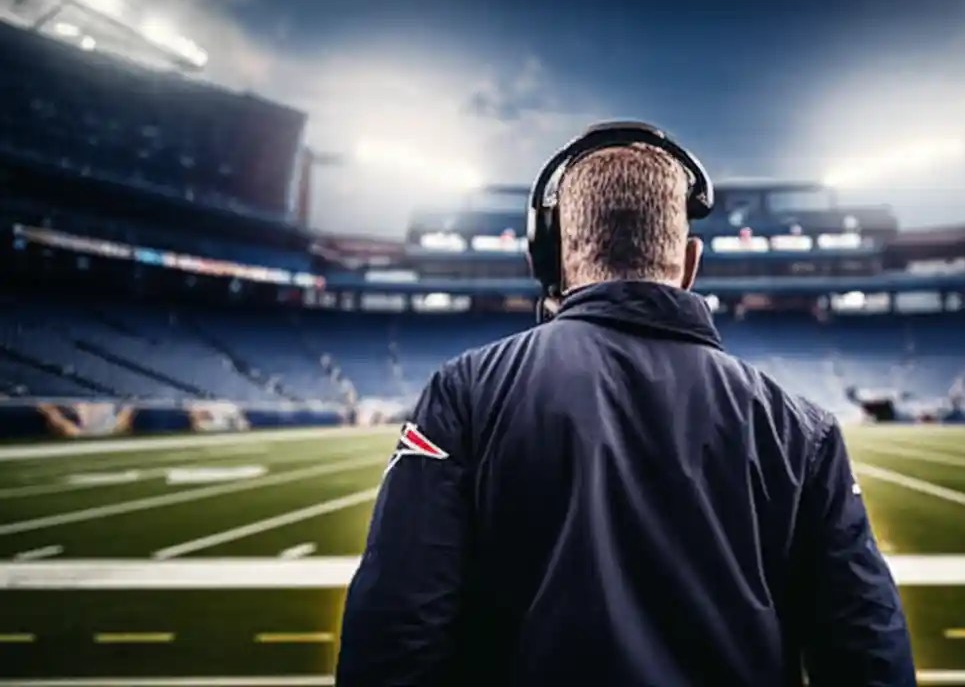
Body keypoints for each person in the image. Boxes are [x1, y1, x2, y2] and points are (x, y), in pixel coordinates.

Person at [336, 122, 915, 686]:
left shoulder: (465, 391)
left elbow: (396, 631)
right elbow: (867, 649)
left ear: (550, 257)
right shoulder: (800, 429)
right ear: (691, 262)